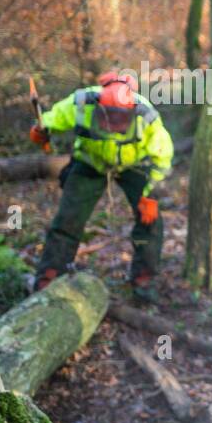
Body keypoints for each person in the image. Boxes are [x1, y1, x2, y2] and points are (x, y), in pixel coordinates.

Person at [30, 71, 174, 303]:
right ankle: (49, 277)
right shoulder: (81, 102)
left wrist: (151, 195)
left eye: (120, 118)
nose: (113, 124)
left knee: (151, 221)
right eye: (109, 117)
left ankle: (144, 281)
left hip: (133, 166)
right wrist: (40, 130)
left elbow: (163, 156)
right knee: (68, 219)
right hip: (90, 163)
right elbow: (50, 119)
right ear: (99, 105)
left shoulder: (146, 116)